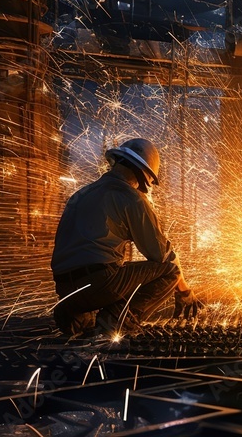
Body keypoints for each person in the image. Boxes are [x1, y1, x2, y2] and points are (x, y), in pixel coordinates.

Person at [51, 138, 201, 337]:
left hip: (65, 290)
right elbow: (162, 256)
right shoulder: (131, 198)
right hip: (99, 285)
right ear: (144, 174)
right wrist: (184, 291)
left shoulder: (82, 193)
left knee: (113, 270)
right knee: (170, 270)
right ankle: (117, 319)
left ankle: (73, 314)